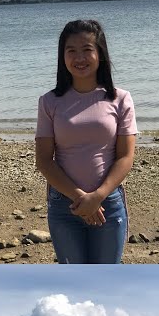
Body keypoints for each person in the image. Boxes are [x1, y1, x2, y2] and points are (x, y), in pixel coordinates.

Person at [35, 20, 138, 264]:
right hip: (63, 205)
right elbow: (44, 161)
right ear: (62, 57)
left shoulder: (120, 99)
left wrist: (98, 196)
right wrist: (80, 197)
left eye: (87, 49)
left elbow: (126, 157)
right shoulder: (49, 102)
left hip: (108, 204)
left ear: (100, 54)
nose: (79, 58)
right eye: (71, 51)